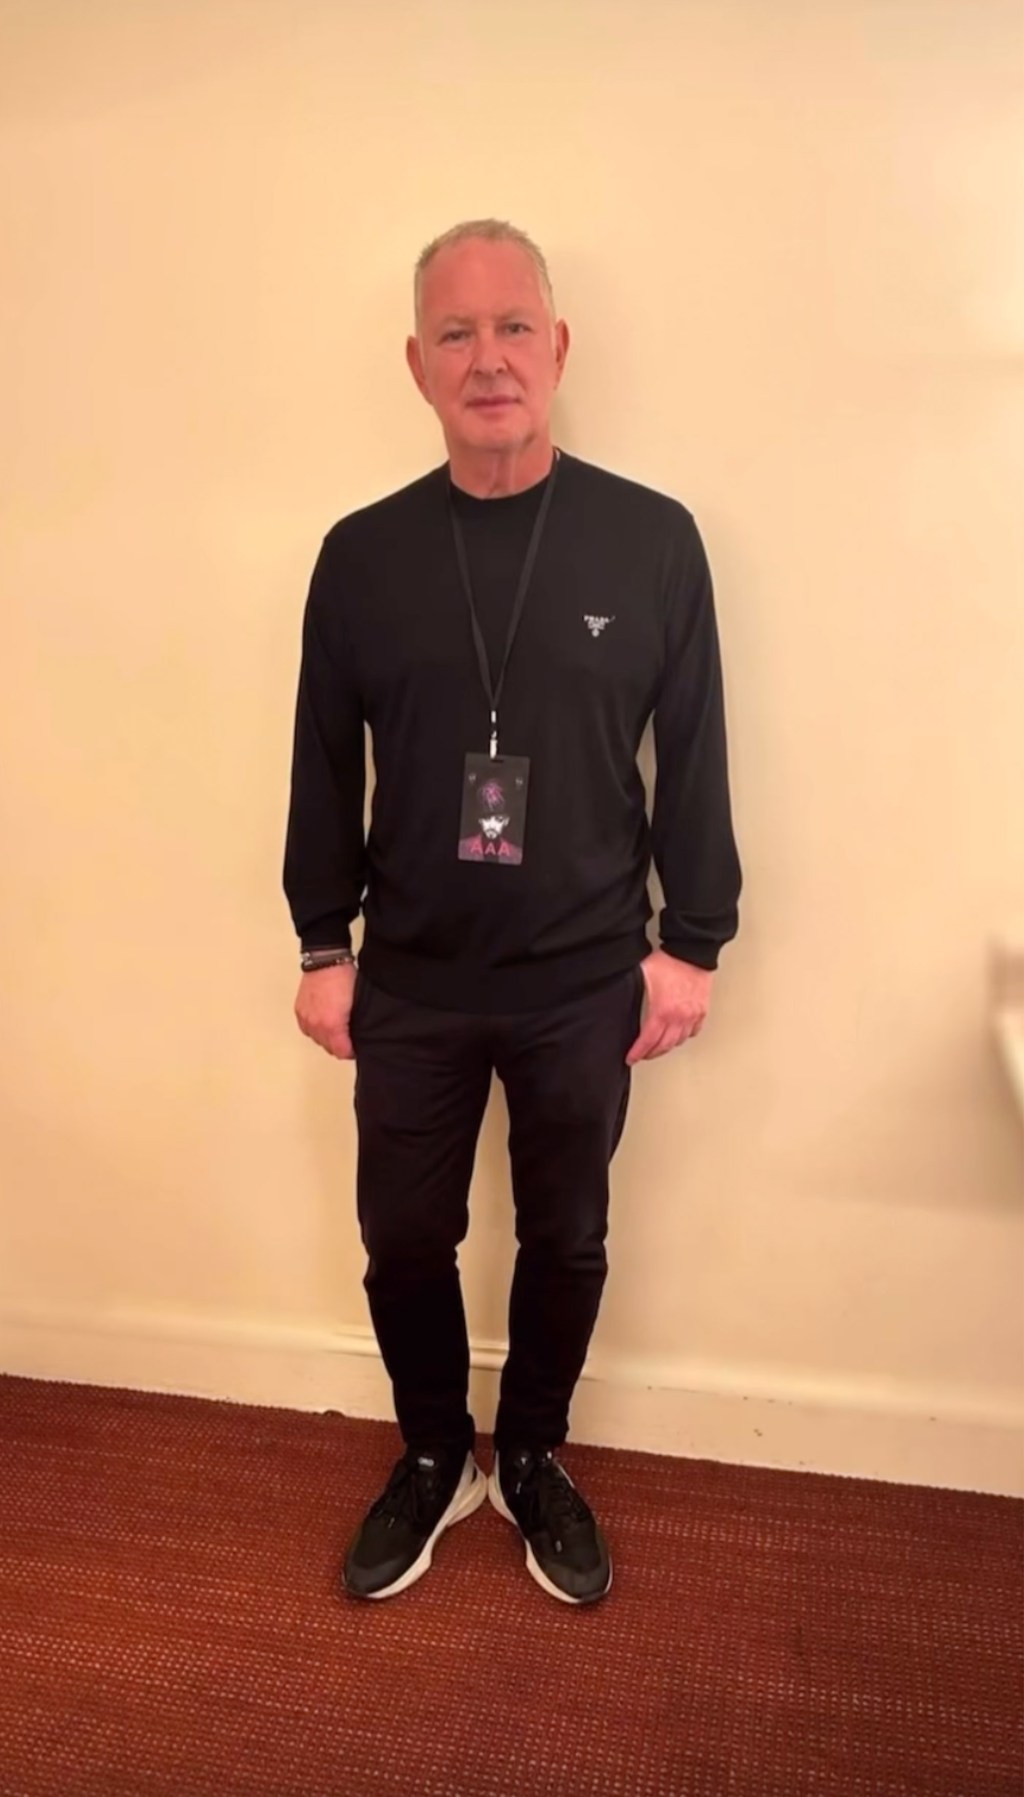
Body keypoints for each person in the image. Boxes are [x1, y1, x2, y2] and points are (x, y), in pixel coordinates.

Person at [283, 219, 741, 1607]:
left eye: (514, 326)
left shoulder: (652, 540)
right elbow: (322, 762)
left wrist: (693, 939)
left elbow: (695, 751)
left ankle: (532, 1449)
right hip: (412, 976)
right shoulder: (361, 556)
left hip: (584, 974)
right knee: (405, 1240)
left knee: (568, 1236)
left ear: (559, 346)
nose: (489, 358)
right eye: (457, 332)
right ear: (417, 363)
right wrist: (323, 941)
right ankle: (437, 1451)